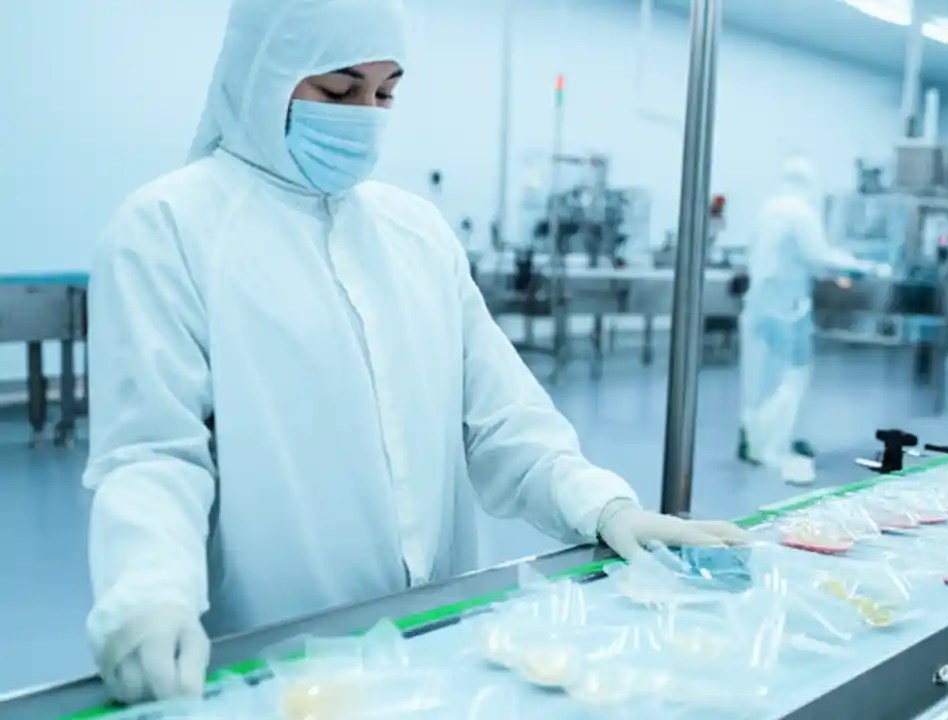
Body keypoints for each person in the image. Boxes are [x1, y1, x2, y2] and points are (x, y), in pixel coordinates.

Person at [85, 0, 746, 704]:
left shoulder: (415, 233)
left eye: (386, 91)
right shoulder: (169, 228)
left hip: (441, 650)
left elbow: (502, 419)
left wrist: (604, 506)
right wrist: (151, 592)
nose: (365, 113)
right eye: (339, 91)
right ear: (262, 72)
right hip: (272, 667)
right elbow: (154, 454)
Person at [737, 156, 886, 484]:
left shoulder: (769, 209)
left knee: (759, 381)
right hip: (786, 308)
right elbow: (820, 256)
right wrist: (864, 266)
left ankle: (754, 442)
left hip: (761, 303)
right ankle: (771, 449)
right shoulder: (800, 213)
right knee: (789, 379)